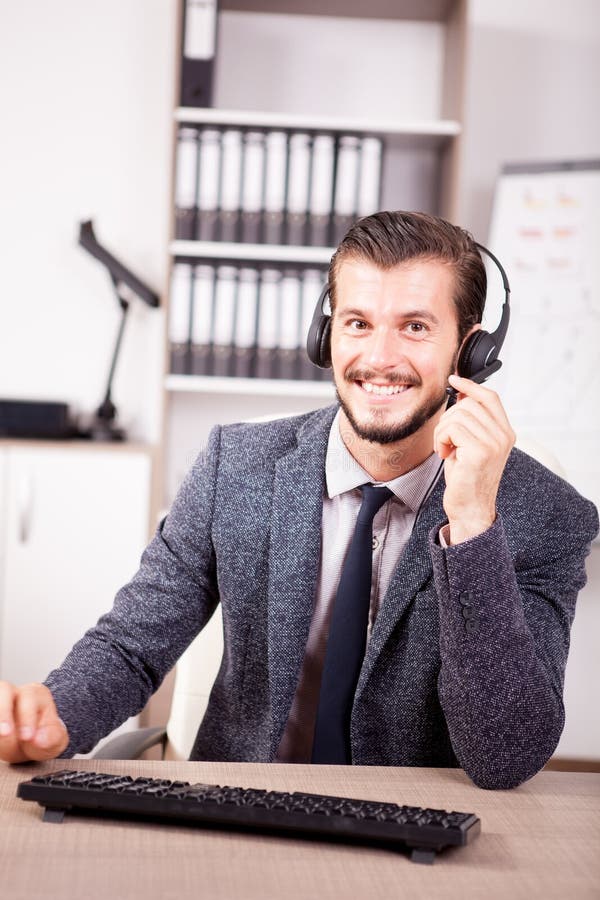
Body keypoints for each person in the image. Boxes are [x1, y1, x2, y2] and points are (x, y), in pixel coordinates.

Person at [0, 211, 597, 789]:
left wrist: (471, 525)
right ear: (325, 334)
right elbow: (132, 647)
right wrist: (56, 716)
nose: (380, 358)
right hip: (240, 818)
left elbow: (507, 756)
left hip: (415, 843)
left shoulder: (546, 517)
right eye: (358, 323)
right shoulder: (233, 468)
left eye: (415, 327)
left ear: (471, 353)